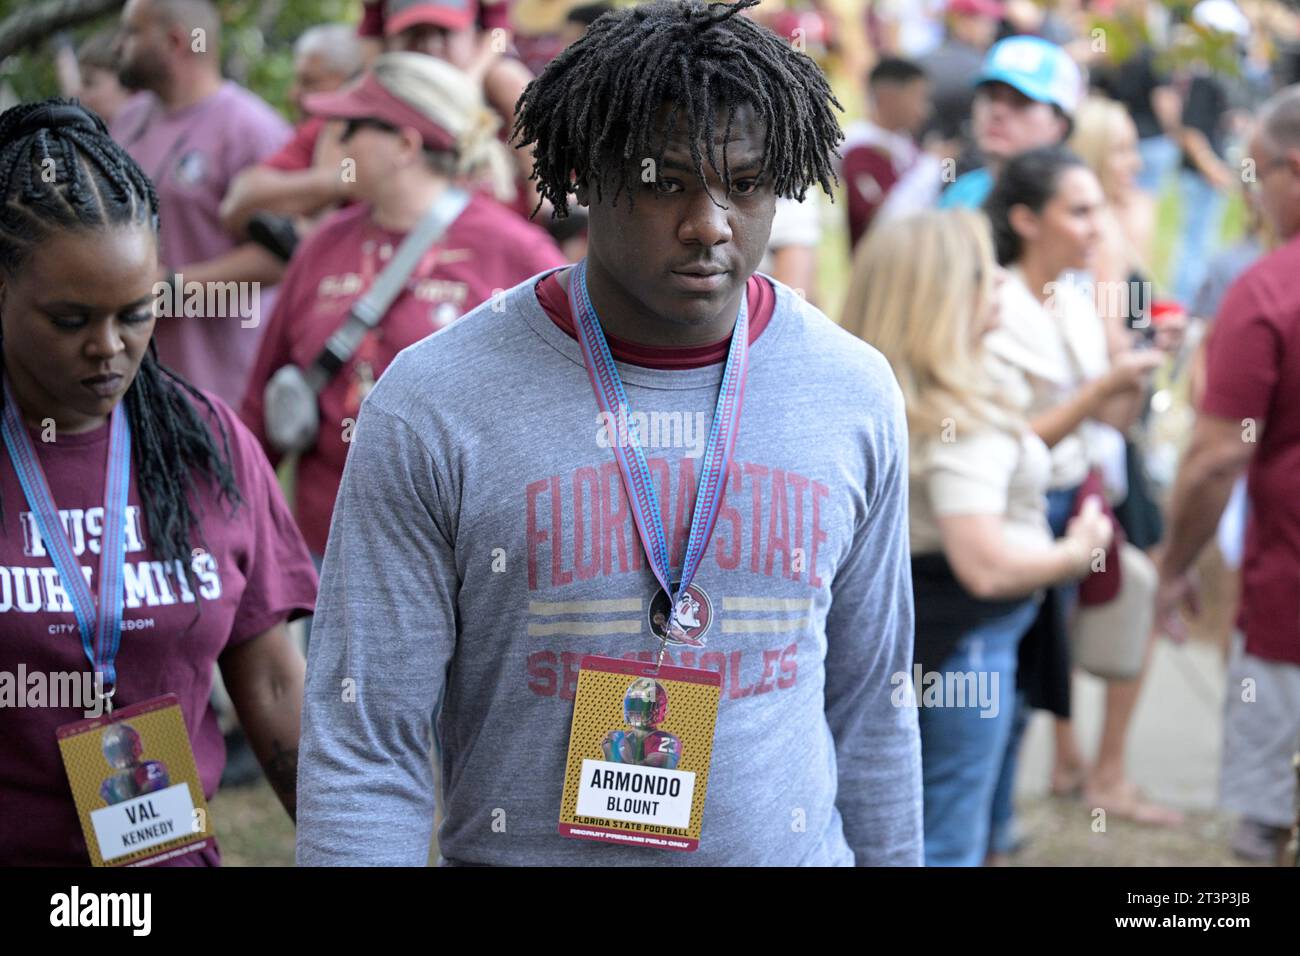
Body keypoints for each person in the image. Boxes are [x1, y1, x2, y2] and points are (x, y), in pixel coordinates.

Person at [296, 0, 922, 866]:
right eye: (665, 181)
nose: (709, 225)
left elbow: (873, 715)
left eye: (743, 184)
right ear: (585, 172)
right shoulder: (434, 402)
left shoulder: (850, 392)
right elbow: (368, 742)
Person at [0, 99, 317, 866]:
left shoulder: (204, 443)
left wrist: (349, 844)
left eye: (135, 313)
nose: (108, 349)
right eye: (70, 320)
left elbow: (273, 686)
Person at [843, 209, 1111, 866]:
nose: (1001, 283)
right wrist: (1077, 551)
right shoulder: (958, 416)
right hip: (967, 641)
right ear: (942, 296)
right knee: (948, 828)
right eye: (985, 273)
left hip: (927, 635)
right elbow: (984, 565)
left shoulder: (881, 395)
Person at [240, 52, 565, 564]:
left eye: (349, 127)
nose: (334, 143)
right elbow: (261, 407)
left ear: (405, 144)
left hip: (470, 558)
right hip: (329, 554)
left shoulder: (516, 252)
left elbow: (563, 409)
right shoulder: (322, 245)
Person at [981, 146, 1167, 856]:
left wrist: (1139, 374)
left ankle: (994, 827)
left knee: (1032, 682)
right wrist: (1097, 394)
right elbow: (1004, 439)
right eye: (1080, 209)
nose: (1097, 225)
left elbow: (1108, 424)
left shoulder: (1077, 298)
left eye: (1100, 208)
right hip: (1015, 512)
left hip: (1072, 505)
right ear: (1027, 219)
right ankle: (980, 829)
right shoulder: (994, 303)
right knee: (997, 679)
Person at [1157, 85, 1300, 863]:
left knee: (1264, 825)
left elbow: (1215, 458)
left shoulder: (1270, 288)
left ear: (1294, 170)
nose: (1254, 195)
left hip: (1289, 610)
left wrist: (1175, 565)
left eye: (1258, 175)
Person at [110, 0, 293, 406]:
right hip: (131, 381)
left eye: (131, 33)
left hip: (218, 387)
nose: (116, 46)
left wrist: (169, 290)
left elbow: (281, 260)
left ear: (175, 40)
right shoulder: (128, 119)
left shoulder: (252, 128)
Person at [219, 24, 366, 240]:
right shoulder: (317, 128)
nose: (294, 94)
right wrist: (340, 181)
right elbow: (239, 200)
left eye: (309, 82)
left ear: (351, 81)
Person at [939, 34, 1083, 210]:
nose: (998, 111)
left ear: (1060, 126)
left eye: (1020, 101)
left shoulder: (1076, 205)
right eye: (990, 96)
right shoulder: (961, 193)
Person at [841, 57, 932, 247]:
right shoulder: (858, 150)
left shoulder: (907, 144)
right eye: (918, 97)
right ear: (888, 98)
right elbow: (877, 220)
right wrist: (931, 167)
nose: (925, 110)